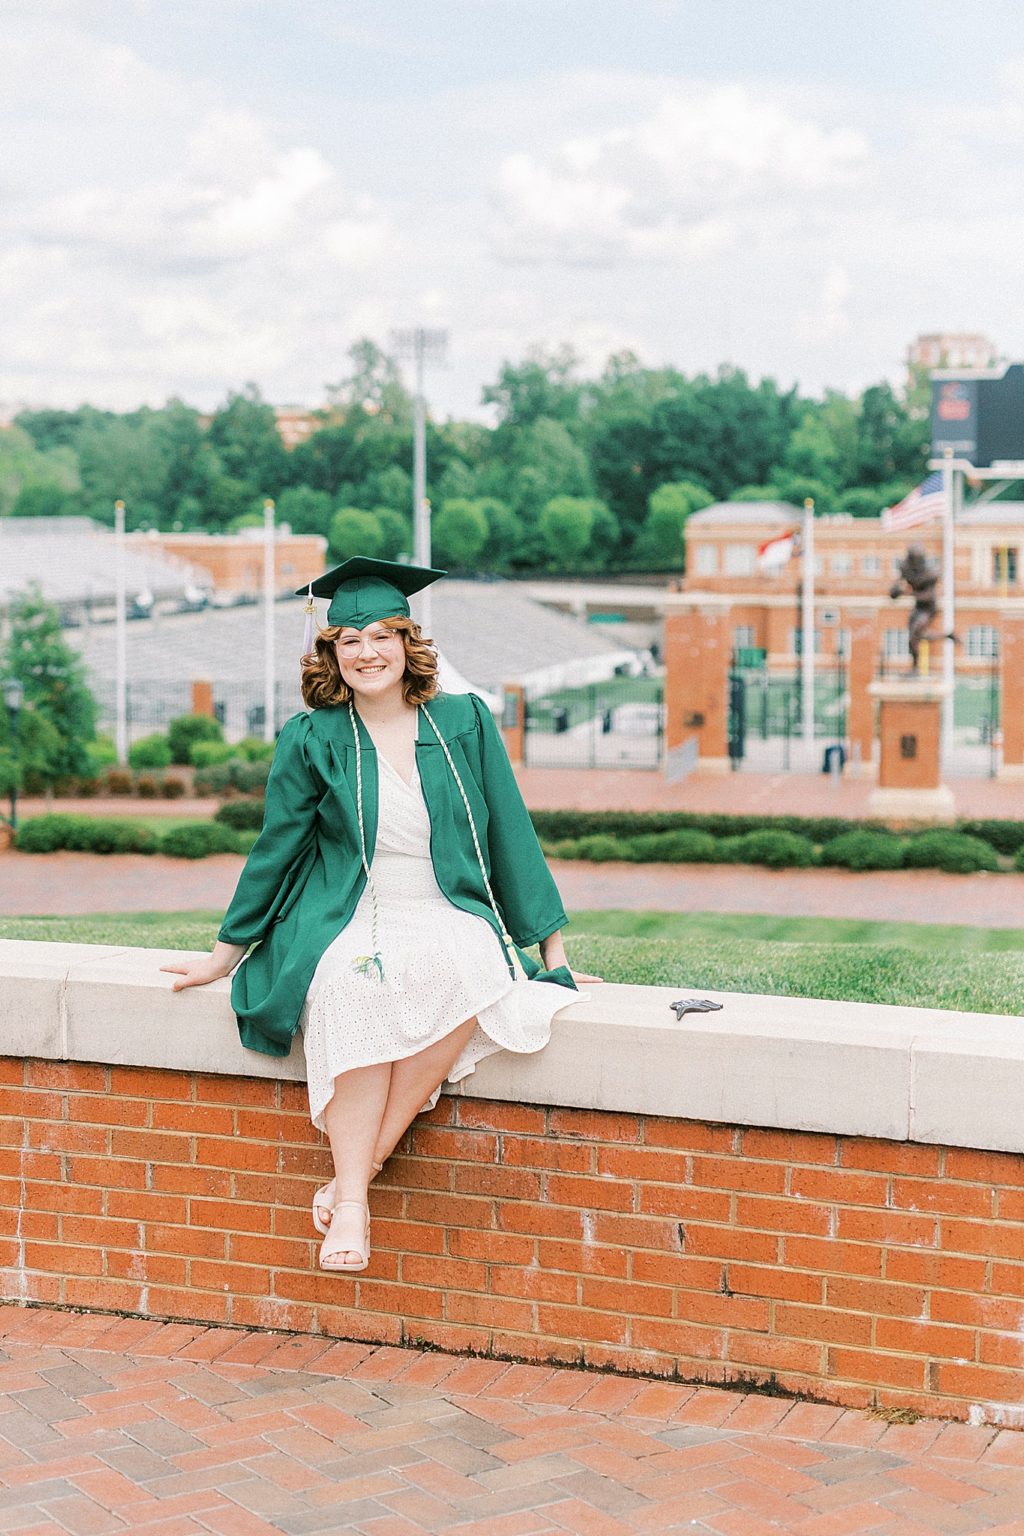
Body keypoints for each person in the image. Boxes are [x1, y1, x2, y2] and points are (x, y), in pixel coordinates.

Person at [162, 558, 599, 1272]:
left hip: (445, 903)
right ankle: (356, 1210)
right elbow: (276, 848)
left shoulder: (462, 722)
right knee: (347, 990)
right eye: (349, 640)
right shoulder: (313, 738)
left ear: (408, 642)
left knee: (471, 965)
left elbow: (511, 837)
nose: (366, 652)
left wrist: (553, 958)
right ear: (331, 652)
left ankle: (352, 1183)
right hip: (350, 908)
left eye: (380, 636)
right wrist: (224, 953)